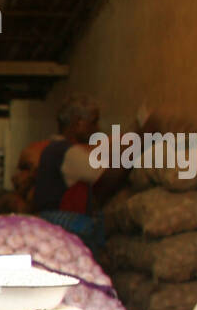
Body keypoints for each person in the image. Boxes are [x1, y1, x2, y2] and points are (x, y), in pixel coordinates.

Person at [32, 93, 128, 250]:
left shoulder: (53, 149)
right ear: (78, 123)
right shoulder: (67, 152)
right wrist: (135, 147)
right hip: (64, 233)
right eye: (93, 122)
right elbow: (105, 177)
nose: (97, 128)